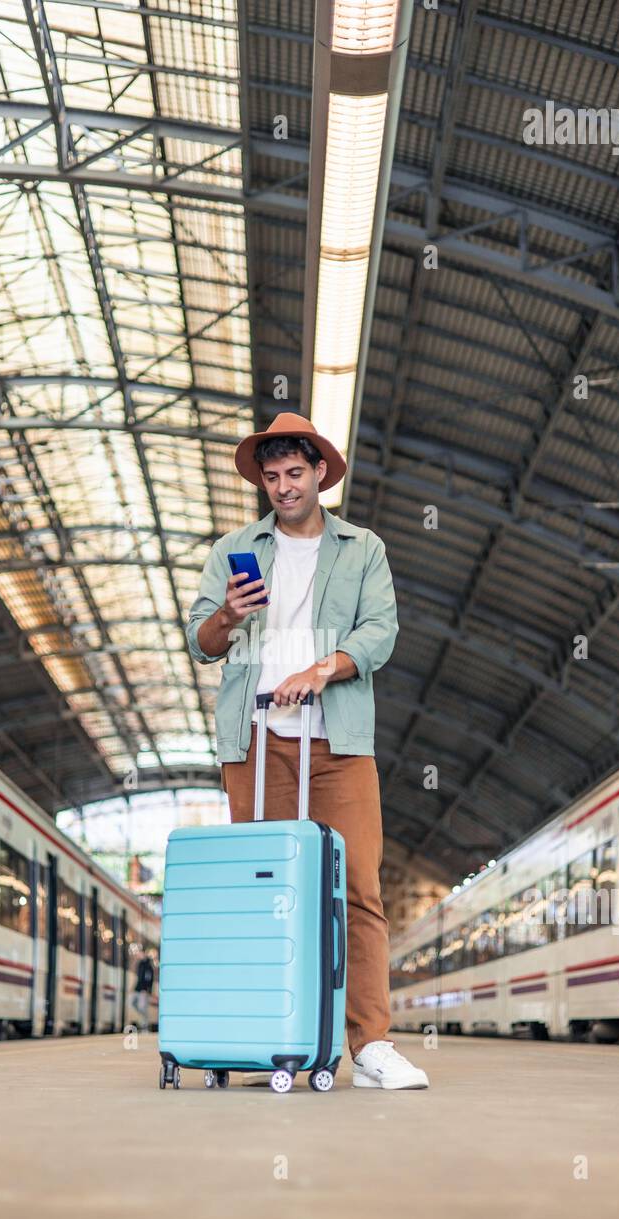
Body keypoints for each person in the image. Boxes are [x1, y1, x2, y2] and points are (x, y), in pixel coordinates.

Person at [185, 411, 428, 1090]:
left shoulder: (362, 549)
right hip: (254, 741)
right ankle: (266, 1034)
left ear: (321, 473)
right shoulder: (234, 549)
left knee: (358, 891)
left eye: (296, 473)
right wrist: (229, 615)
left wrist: (321, 671)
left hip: (337, 738)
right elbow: (198, 642)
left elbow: (381, 629)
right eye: (272, 476)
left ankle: (372, 1045)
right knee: (261, 892)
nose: (284, 487)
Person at [134, 951, 155, 1032]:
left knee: (142, 1007)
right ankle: (144, 1022)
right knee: (134, 1003)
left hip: (144, 990)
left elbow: (149, 978)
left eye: (140, 953)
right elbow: (139, 977)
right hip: (138, 989)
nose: (138, 954)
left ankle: (144, 1025)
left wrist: (147, 989)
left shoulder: (148, 966)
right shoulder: (140, 964)